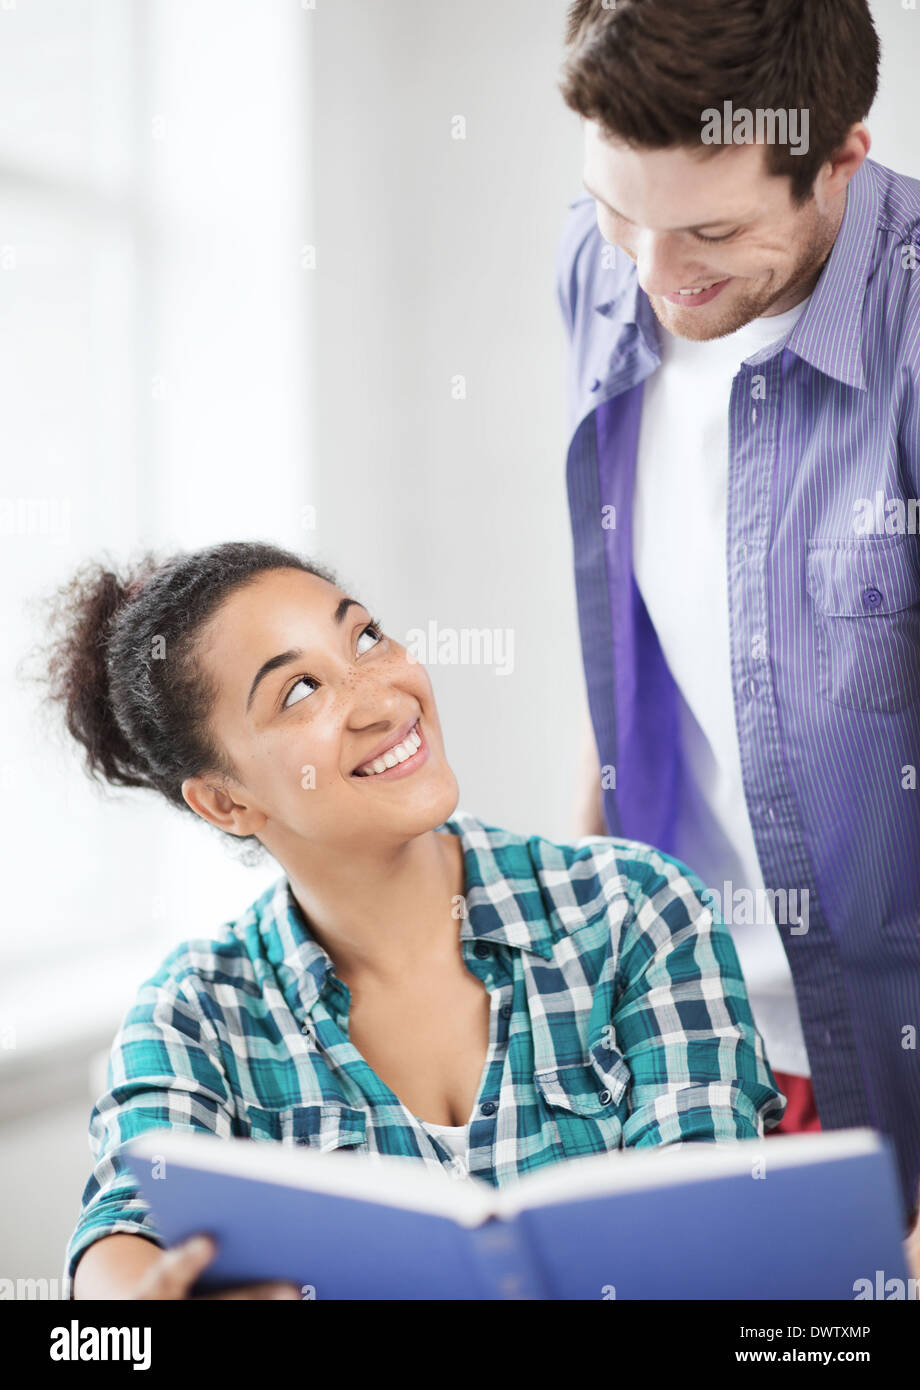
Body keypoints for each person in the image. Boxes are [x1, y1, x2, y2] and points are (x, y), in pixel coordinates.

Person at [37, 541, 783, 1299]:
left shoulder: (637, 910)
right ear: (227, 801)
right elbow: (121, 1236)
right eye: (299, 692)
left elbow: (708, 1237)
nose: (384, 699)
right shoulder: (194, 1014)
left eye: (365, 637)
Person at [555, 0, 920, 1232]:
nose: (653, 278)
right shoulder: (598, 269)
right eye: (618, 212)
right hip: (700, 1062)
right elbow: (644, 649)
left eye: (709, 229)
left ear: (839, 159)